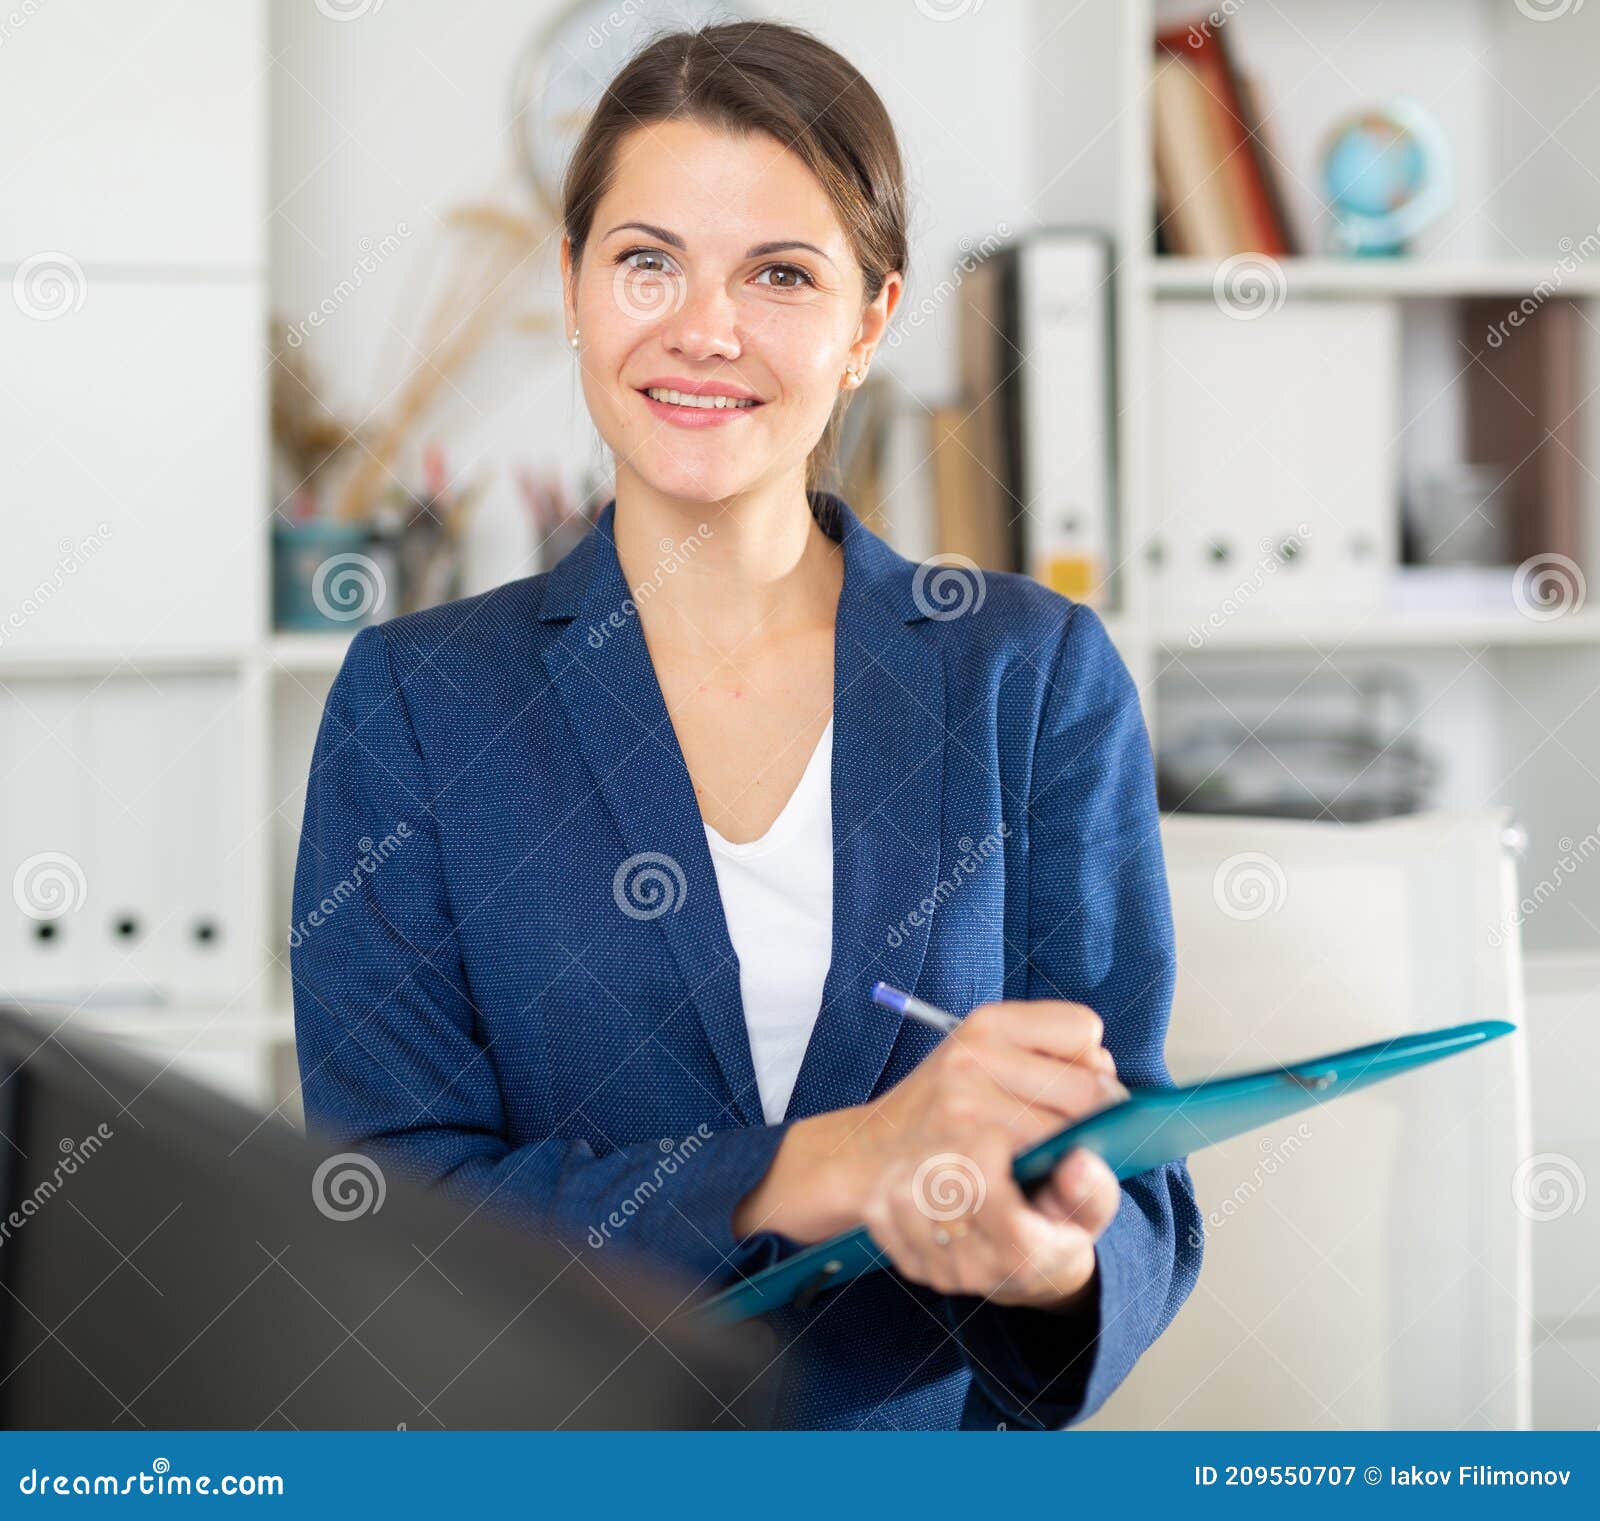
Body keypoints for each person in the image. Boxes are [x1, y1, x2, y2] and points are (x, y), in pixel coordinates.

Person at [291, 19, 1200, 1431]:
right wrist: (826, 1164)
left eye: (781, 274)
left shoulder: (1034, 677)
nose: (702, 328)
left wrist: (1056, 1257)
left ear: (870, 323)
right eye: (646, 260)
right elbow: (393, 1211)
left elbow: (1138, 1177)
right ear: (577, 290)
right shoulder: (418, 700)